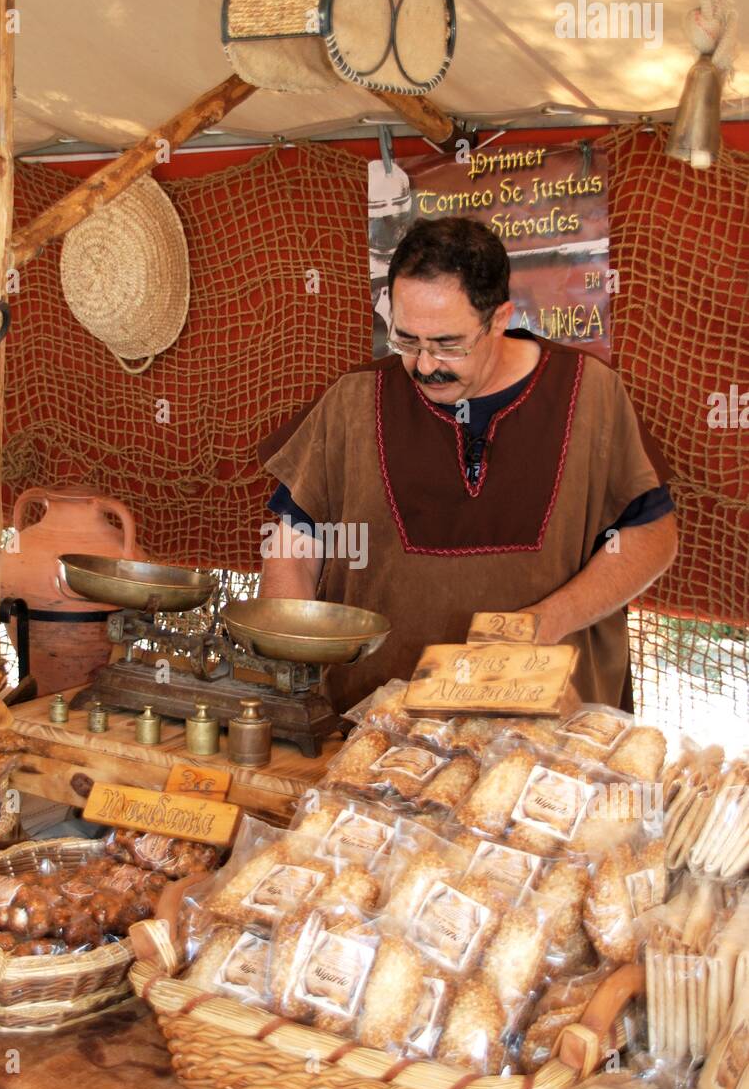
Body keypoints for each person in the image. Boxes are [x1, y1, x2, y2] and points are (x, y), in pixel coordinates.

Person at [257, 217, 677, 715]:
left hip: (545, 737)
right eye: (407, 340)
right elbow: (294, 548)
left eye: (448, 343)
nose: (426, 364)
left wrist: (544, 623)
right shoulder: (353, 402)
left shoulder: (590, 394)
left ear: (500, 318)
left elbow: (651, 535)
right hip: (373, 728)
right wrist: (289, 672)